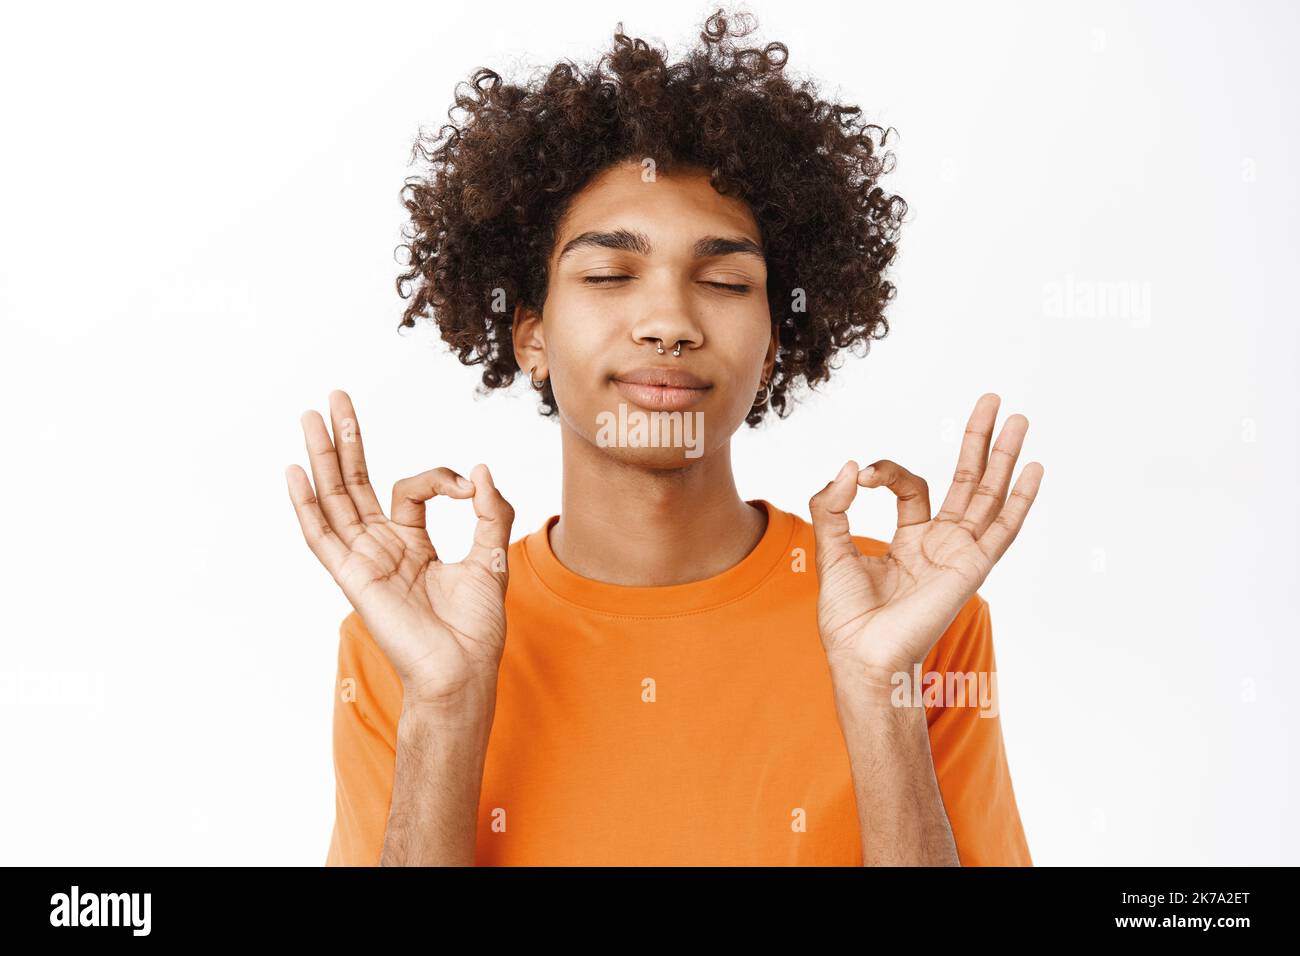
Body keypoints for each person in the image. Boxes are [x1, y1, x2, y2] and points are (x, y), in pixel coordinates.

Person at [285, 9, 1043, 866]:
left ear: (775, 340)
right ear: (530, 336)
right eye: (610, 274)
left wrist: (879, 697)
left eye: (723, 280)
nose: (670, 322)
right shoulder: (406, 635)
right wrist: (445, 704)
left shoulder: (915, 615)